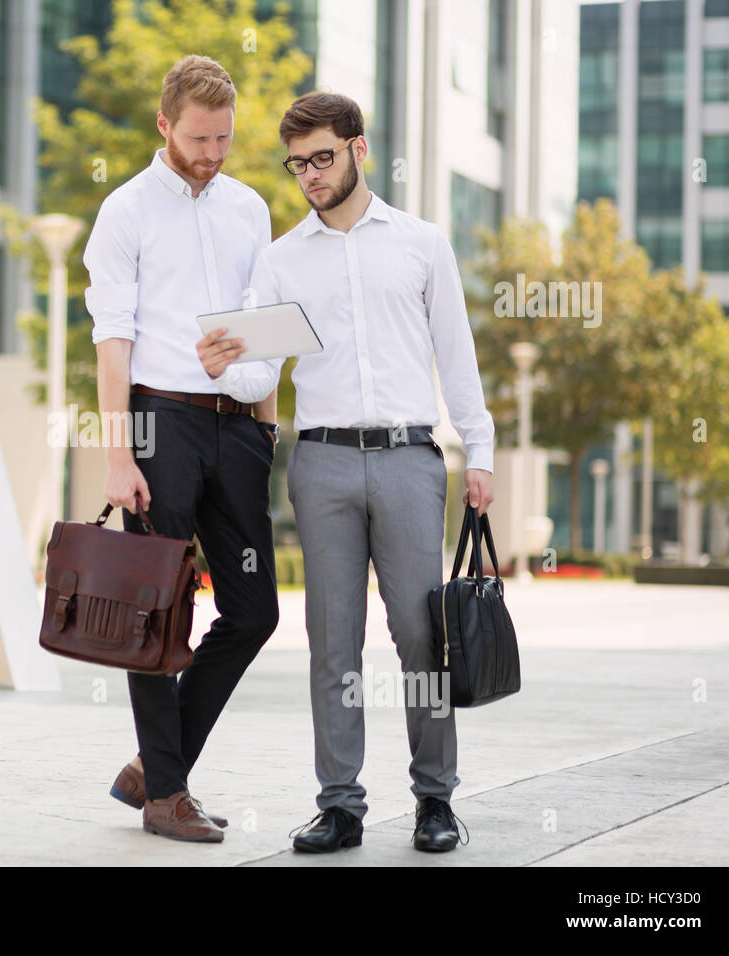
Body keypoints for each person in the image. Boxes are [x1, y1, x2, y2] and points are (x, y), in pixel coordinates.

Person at [197, 91, 496, 854]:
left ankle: (435, 801)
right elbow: (259, 369)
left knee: (421, 639)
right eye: (297, 165)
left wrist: (481, 452)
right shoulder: (282, 257)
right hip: (322, 460)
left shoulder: (422, 244)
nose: (309, 177)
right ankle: (341, 805)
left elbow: (456, 359)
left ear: (360, 148)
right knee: (332, 641)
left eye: (321, 158)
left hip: (409, 459)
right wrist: (222, 366)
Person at [83, 55, 280, 844]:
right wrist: (118, 454)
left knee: (255, 610)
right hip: (159, 424)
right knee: (157, 612)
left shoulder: (250, 208)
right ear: (165, 125)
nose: (213, 152)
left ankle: (154, 767)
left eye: (225, 138)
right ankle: (166, 795)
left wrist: (266, 428)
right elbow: (112, 343)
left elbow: (266, 320)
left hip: (238, 428)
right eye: (199, 137)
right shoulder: (124, 211)